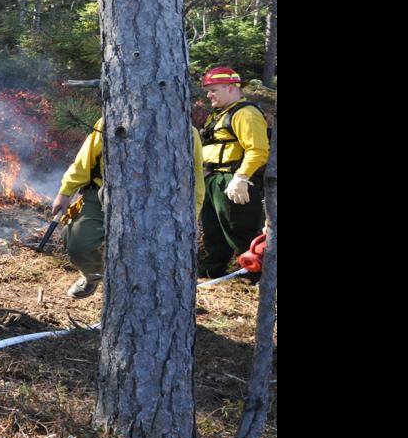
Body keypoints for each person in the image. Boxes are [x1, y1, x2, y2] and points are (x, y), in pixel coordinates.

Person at [47, 116, 206, 298]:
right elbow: (85, 160)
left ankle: (142, 295)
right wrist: (65, 191)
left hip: (154, 204)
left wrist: (193, 212)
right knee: (78, 244)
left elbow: (194, 176)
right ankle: (92, 277)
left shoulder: (185, 130)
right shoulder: (110, 119)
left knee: (145, 254)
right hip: (101, 194)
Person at [197, 64, 270, 280]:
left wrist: (241, 177)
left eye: (214, 90)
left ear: (231, 87)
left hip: (233, 180)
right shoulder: (219, 115)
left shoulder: (245, 113)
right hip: (212, 179)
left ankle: (261, 277)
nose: (209, 95)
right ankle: (211, 272)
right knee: (213, 232)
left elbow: (258, 150)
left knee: (240, 231)